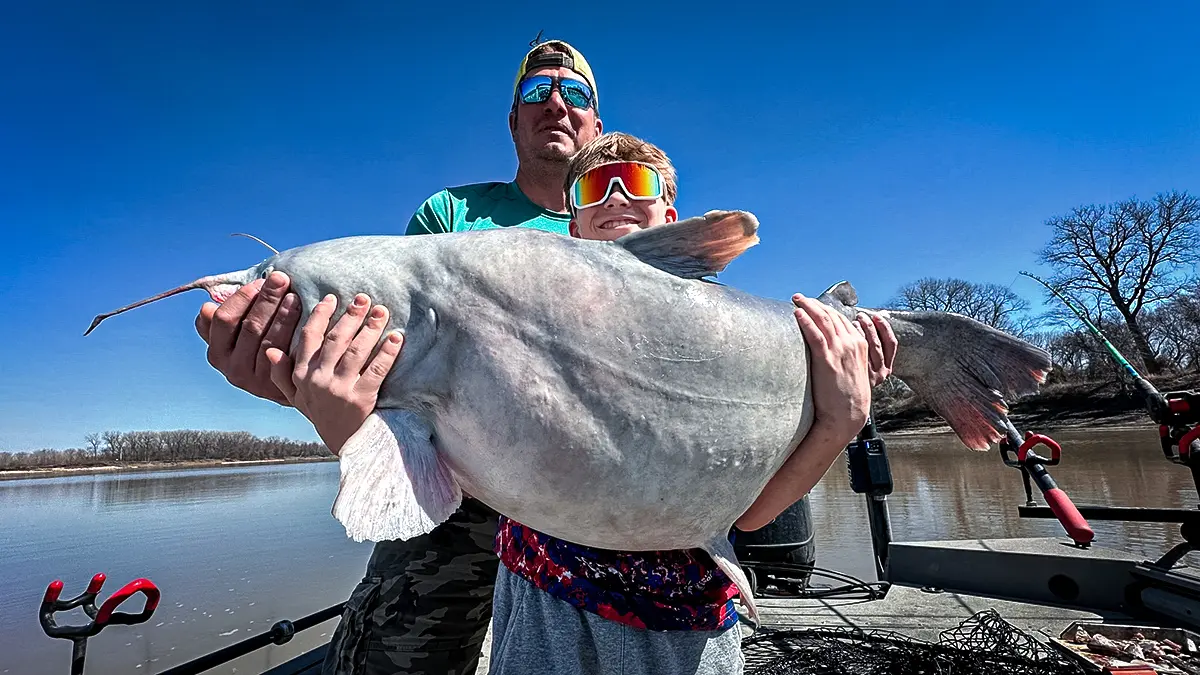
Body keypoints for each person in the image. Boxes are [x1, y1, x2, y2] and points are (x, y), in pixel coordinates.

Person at [195, 38, 606, 674]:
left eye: (574, 94)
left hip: (589, 498)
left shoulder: (626, 222)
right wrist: (298, 387)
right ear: (513, 119)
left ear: (595, 123)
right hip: (453, 495)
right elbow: (392, 368)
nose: (555, 104)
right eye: (536, 92)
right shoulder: (452, 214)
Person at [482, 131, 897, 675]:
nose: (613, 196)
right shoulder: (516, 317)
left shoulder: (729, 338)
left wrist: (843, 419)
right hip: (543, 596)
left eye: (633, 182)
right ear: (572, 225)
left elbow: (750, 519)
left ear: (670, 214)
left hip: (687, 617)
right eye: (592, 187)